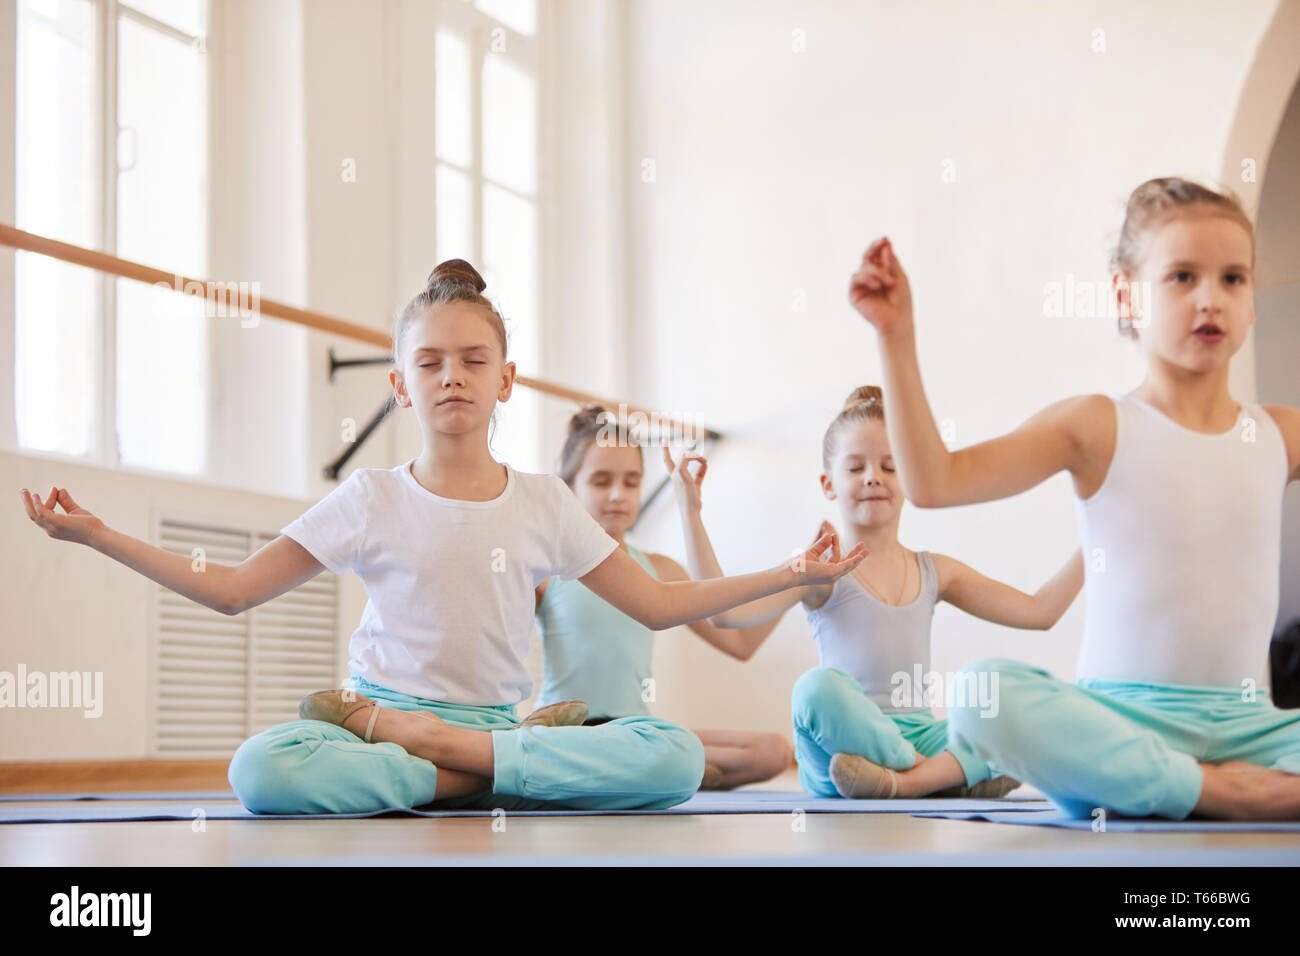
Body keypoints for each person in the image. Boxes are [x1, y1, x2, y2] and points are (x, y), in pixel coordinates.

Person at [20, 259, 865, 814]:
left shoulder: (542, 503)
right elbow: (235, 590)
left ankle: (455, 763)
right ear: (399, 383)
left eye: (471, 359)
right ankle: (474, 776)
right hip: (382, 719)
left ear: (505, 380)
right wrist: (100, 536)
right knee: (261, 769)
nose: (451, 376)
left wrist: (788, 572)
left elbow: (659, 604)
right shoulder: (370, 498)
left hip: (499, 726)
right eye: (429, 362)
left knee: (673, 758)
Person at [850, 177, 1300, 820]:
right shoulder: (1096, 426)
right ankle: (1225, 791)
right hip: (1118, 720)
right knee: (985, 695)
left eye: (1233, 278)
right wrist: (896, 338)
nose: (1211, 298)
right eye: (1181, 277)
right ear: (1126, 293)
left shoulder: (1281, 433)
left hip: (1255, 728)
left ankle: (1175, 787)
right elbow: (936, 483)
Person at [665, 386, 1082, 798]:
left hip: (921, 734)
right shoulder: (816, 570)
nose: (873, 477)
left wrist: (1098, 546)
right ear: (828, 484)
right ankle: (937, 776)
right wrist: (690, 511)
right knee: (815, 689)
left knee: (1005, 703)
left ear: (910, 479)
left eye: (889, 466)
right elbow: (726, 616)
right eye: (855, 467)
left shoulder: (937, 570)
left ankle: (903, 781)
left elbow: (1039, 611)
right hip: (838, 750)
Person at [532, 405, 795, 791]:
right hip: (571, 736)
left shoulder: (660, 571)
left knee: (773, 750)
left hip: (637, 731)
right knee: (597, 751)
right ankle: (660, 772)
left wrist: (798, 585)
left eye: (632, 481)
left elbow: (738, 640)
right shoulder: (548, 569)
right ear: (569, 488)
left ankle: (653, 771)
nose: (619, 494)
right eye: (602, 481)